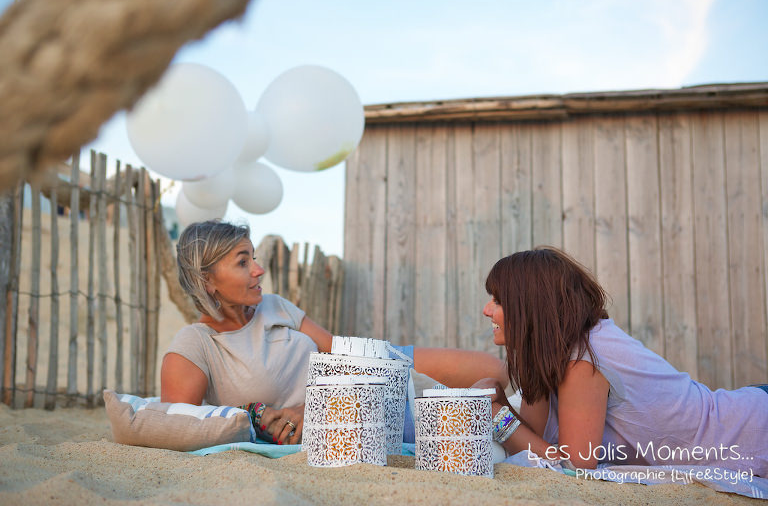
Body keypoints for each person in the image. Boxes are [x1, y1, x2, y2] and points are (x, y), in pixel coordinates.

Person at [161, 220, 508, 445]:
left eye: (253, 257)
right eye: (242, 262)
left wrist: (311, 405)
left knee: (495, 373)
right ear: (206, 280)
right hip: (347, 409)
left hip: (367, 367)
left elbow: (339, 350)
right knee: (490, 410)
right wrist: (263, 414)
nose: (258, 269)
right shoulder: (196, 346)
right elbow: (179, 427)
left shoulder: (274, 306)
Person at [474, 247, 768, 476]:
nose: (487, 310)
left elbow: (572, 470)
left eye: (498, 300)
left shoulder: (583, 360)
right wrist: (499, 402)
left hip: (753, 433)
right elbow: (533, 441)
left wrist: (498, 416)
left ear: (531, 307)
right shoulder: (552, 353)